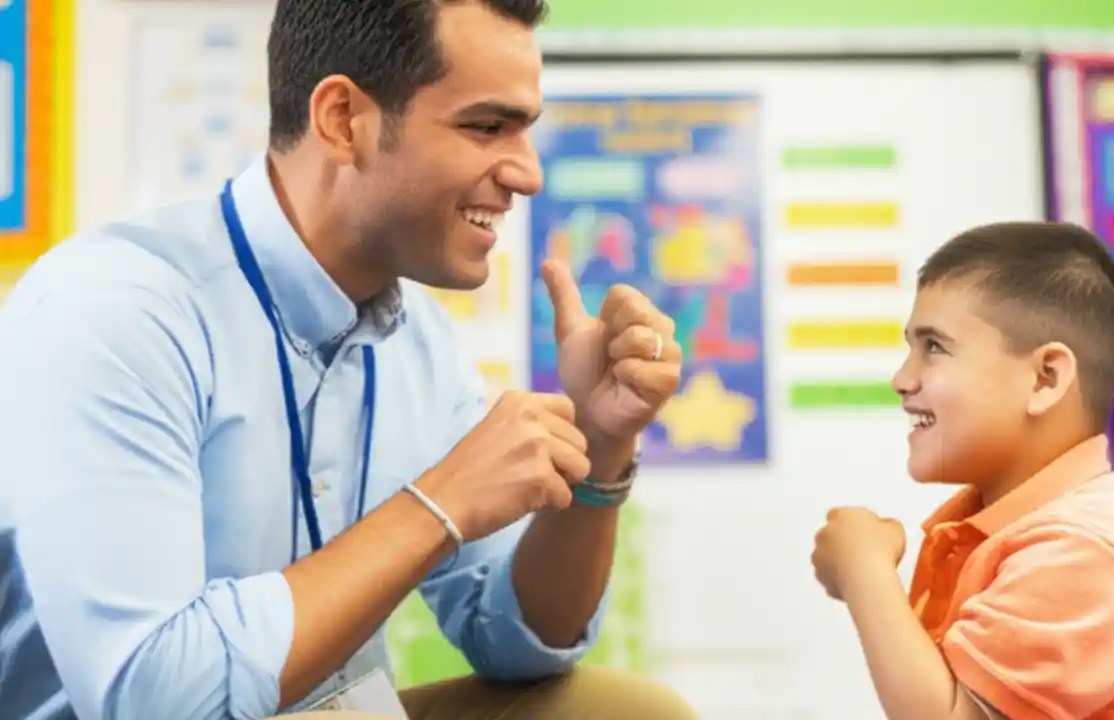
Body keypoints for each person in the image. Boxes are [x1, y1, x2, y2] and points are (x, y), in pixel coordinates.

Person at [0, 0, 697, 718]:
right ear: (342, 120)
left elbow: (518, 639)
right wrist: (440, 504)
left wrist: (604, 447)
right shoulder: (117, 310)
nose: (527, 174)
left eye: (526, 131)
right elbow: (154, 698)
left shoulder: (419, 341)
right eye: (487, 127)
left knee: (621, 710)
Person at [810, 222, 1114, 719]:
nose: (901, 379)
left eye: (934, 347)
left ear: (1045, 378)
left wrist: (864, 570)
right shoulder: (1010, 530)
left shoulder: (1083, 553)